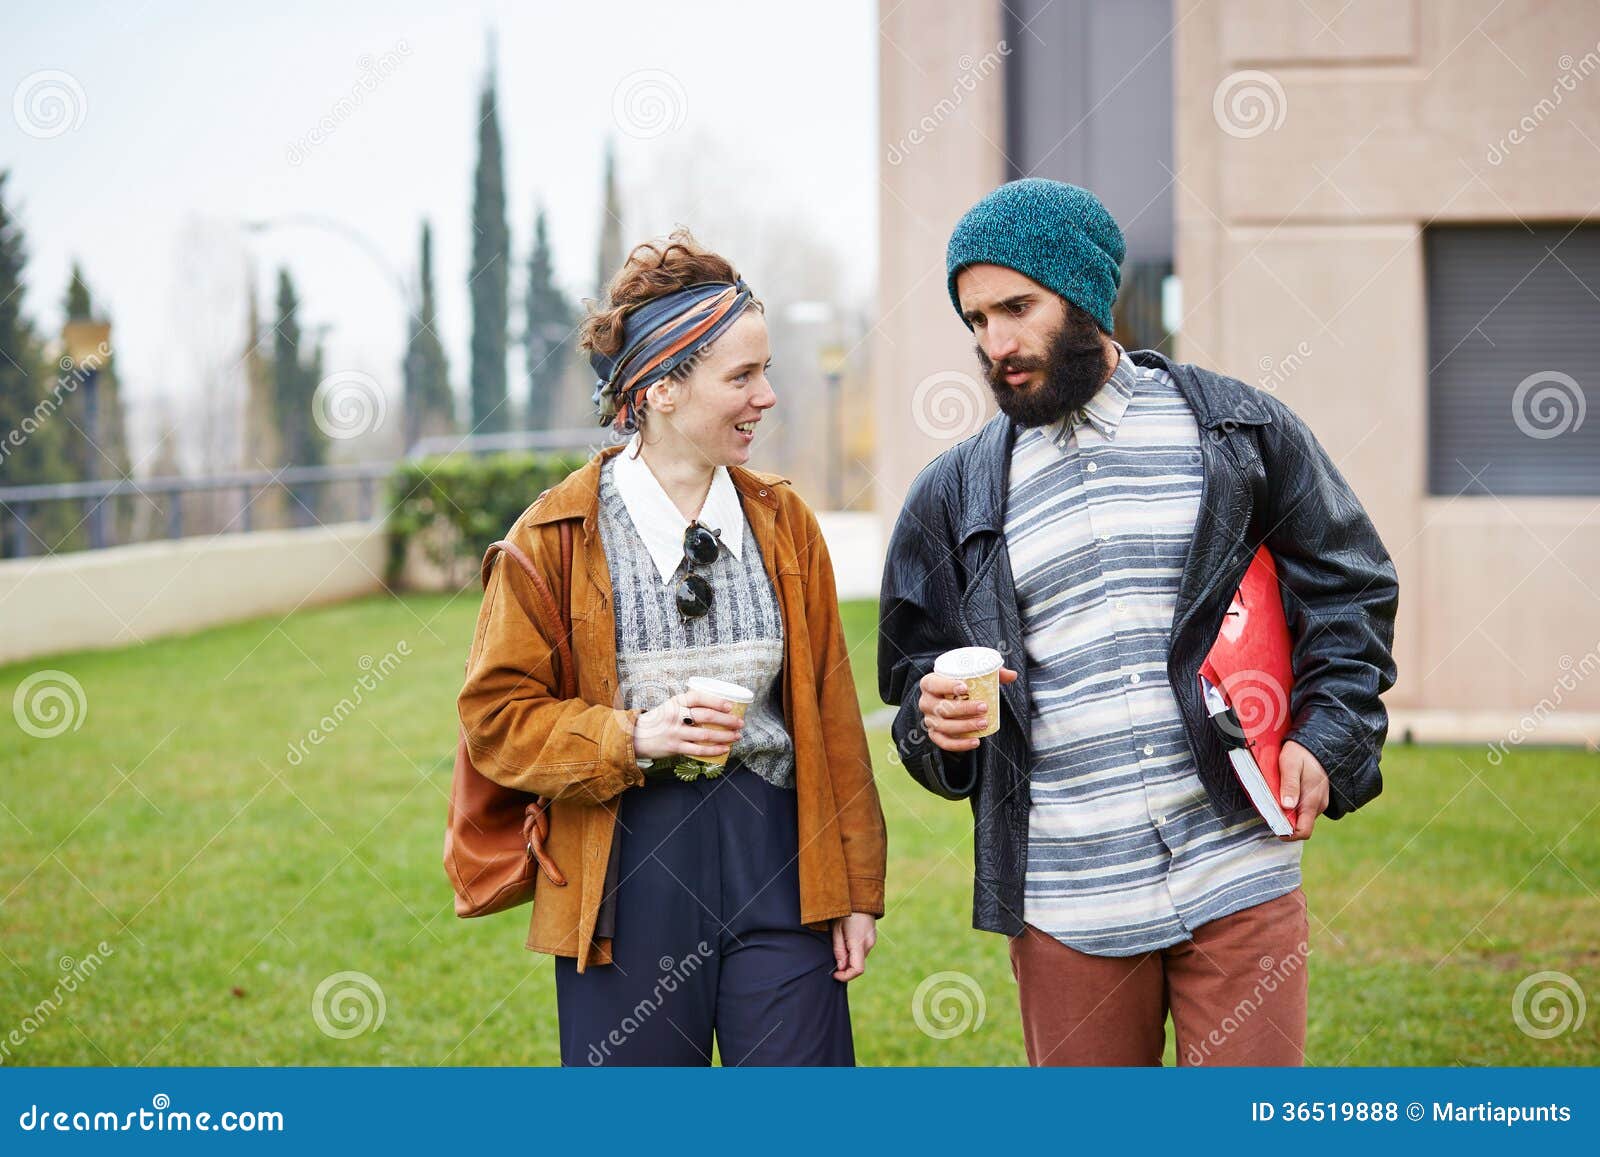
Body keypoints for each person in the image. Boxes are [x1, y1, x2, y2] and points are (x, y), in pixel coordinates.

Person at [878, 178, 1398, 1066]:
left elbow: (1349, 583)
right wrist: (936, 726)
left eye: (1017, 308)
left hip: (1238, 873)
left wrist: (1332, 730)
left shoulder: (1236, 429)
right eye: (975, 321)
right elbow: (910, 681)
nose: (995, 344)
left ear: (1084, 296)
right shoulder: (954, 493)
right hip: (1066, 905)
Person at [459, 230, 886, 1066]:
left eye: (765, 371)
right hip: (622, 873)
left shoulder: (785, 524)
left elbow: (833, 717)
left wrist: (855, 885)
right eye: (742, 376)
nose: (767, 396)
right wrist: (635, 735)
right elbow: (496, 721)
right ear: (660, 389)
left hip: (780, 865)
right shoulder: (552, 537)